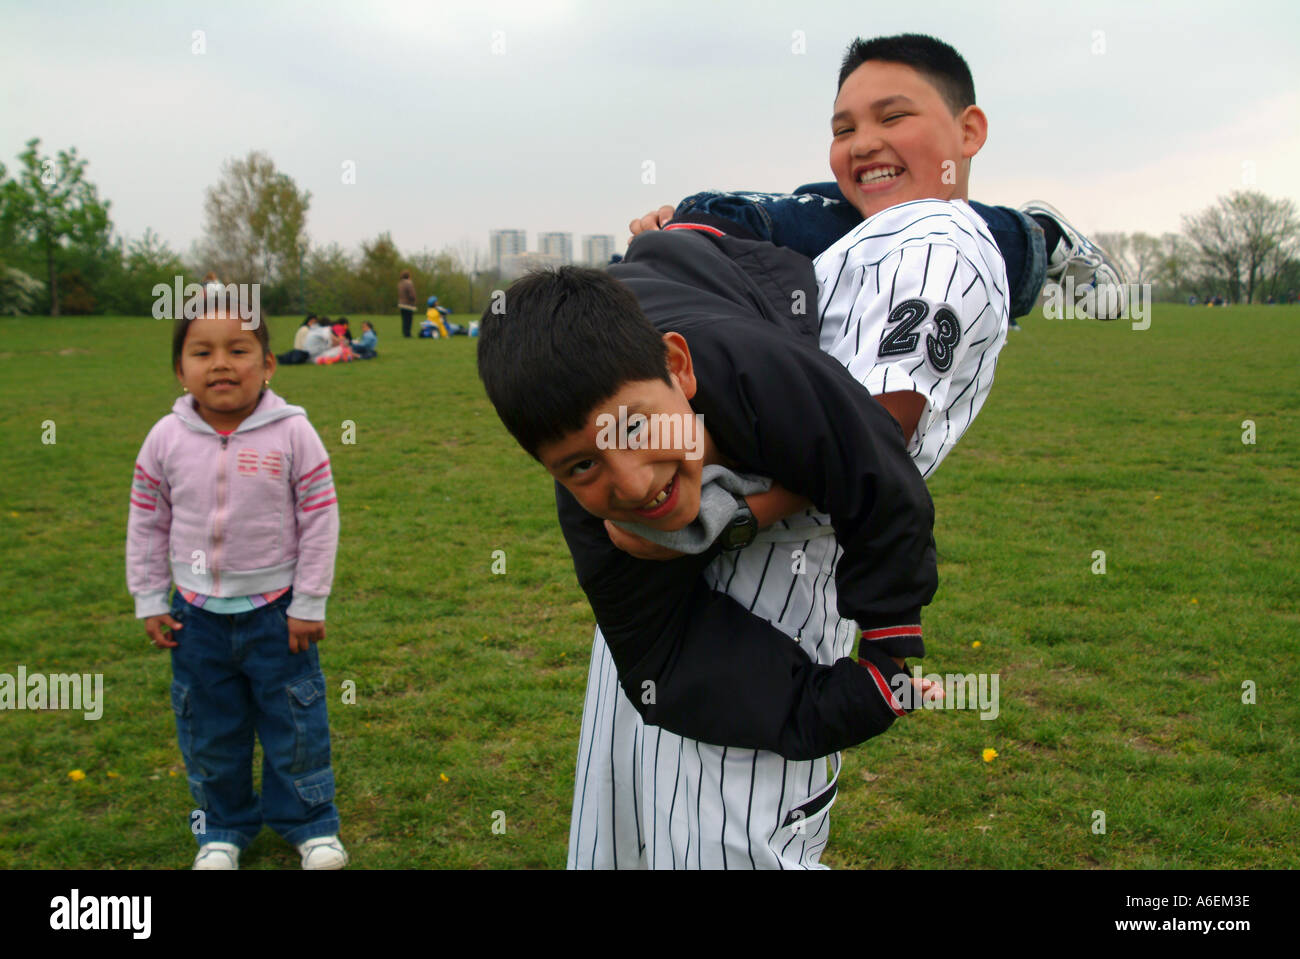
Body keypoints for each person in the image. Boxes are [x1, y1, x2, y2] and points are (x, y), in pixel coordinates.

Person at [557, 32, 1022, 869]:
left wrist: (711, 516)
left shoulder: (934, 239)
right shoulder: (852, 238)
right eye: (843, 127)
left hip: (761, 609)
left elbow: (875, 430)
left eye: (894, 115)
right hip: (678, 609)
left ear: (970, 130)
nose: (863, 142)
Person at [480, 248, 944, 868]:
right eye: (583, 465)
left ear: (680, 368)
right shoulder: (595, 520)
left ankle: (1034, 237)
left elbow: (875, 467)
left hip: (720, 243)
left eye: (638, 430)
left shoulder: (758, 368)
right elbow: (664, 663)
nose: (636, 484)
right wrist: (846, 701)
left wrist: (891, 649)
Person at [125, 298, 346, 870]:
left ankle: (310, 825)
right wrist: (150, 598)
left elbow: (320, 517)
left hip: (279, 617)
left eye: (238, 350)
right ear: (180, 370)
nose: (220, 363)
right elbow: (148, 522)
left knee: (295, 727)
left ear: (268, 363)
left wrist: (309, 601)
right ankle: (219, 829)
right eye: (202, 352)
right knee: (209, 734)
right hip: (194, 619)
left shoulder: (294, 433)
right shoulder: (164, 439)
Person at [398, 270, 417, 338]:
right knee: (409, 319)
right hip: (408, 304)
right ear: (408, 276)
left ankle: (405, 332)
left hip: (401, 304)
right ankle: (408, 334)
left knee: (404, 319)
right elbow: (412, 294)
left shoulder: (400, 283)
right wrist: (414, 299)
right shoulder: (409, 283)